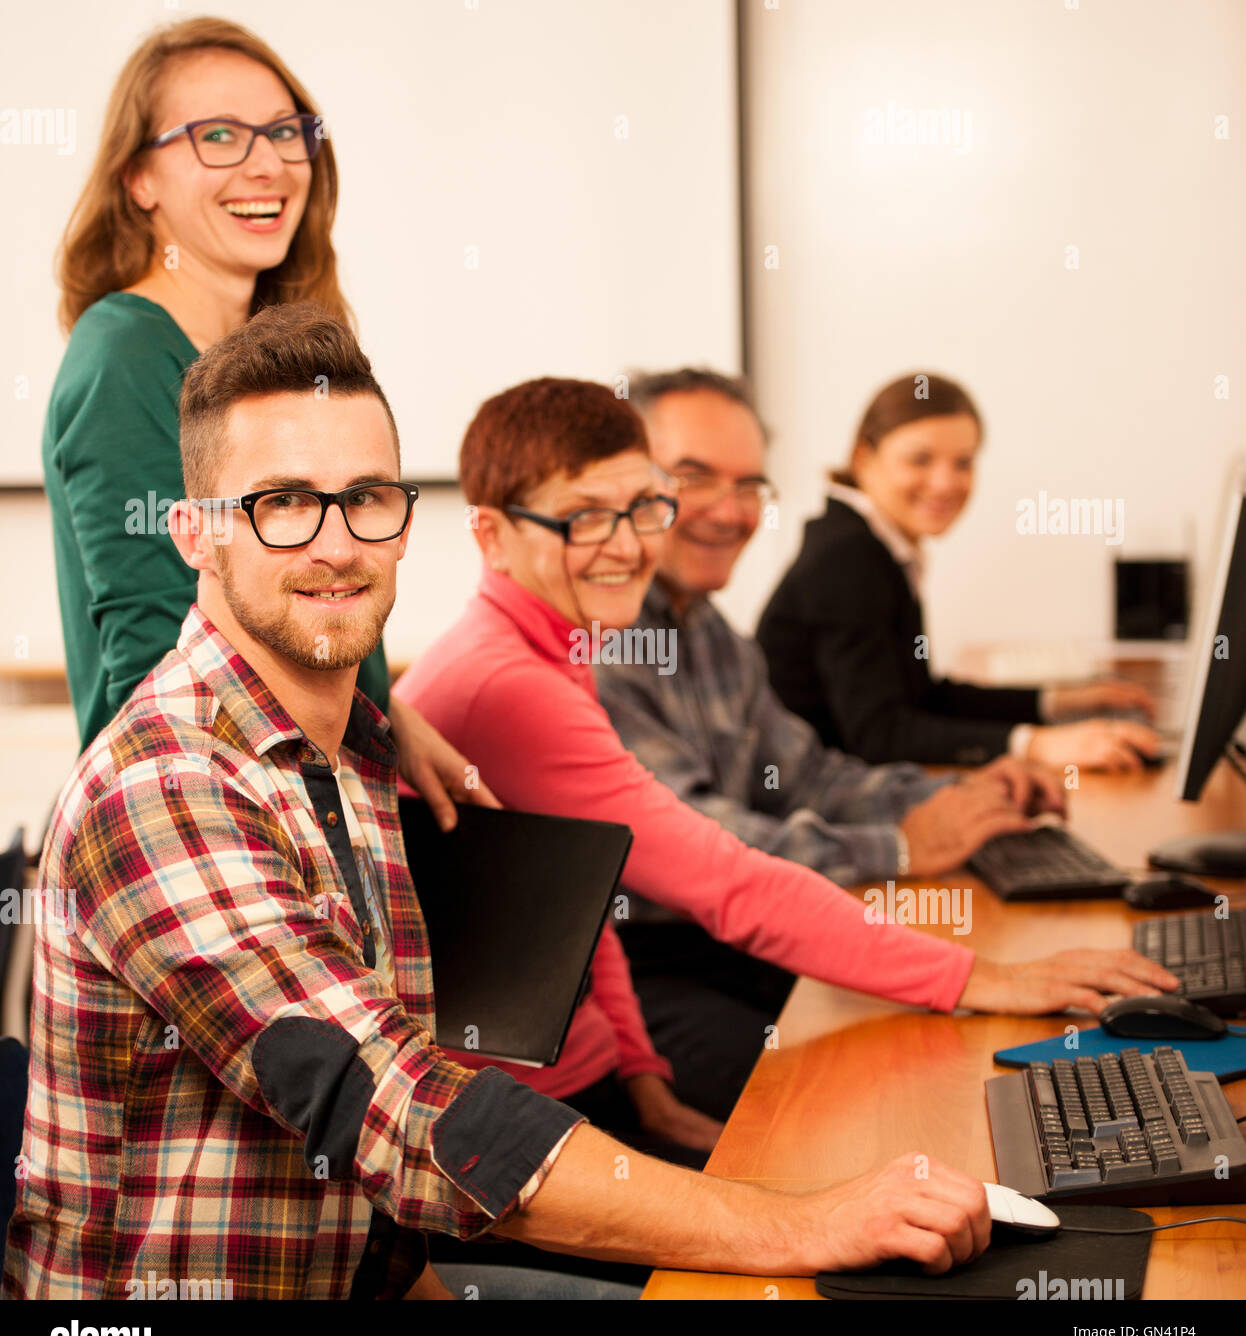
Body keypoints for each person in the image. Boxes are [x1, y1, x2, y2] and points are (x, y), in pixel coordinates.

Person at [5, 305, 1003, 1300]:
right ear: (194, 535)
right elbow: (399, 1110)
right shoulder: (168, 782)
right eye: (281, 504)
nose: (334, 542)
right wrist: (806, 1221)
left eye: (366, 499)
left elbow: (374, 1178)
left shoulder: (361, 748)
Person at [392, 375, 1176, 1133]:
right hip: (517, 1114)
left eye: (641, 509)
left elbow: (584, 893)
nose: (627, 546)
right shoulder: (511, 682)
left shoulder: (554, 646)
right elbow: (727, 882)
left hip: (572, 1072)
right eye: (585, 518)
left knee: (904, 1071)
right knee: (881, 1103)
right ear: (491, 534)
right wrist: (988, 978)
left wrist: (642, 1077)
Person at [592, 368, 1077, 1114]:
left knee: (953, 1049)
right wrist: (901, 845)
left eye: (750, 484)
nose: (731, 510)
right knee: (857, 1098)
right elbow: (699, 849)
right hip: (640, 972)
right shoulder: (599, 642)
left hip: (731, 944)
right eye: (694, 478)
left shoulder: (714, 633)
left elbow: (808, 773)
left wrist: (951, 796)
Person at [42, 16, 481, 828]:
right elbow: (154, 653)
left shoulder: (268, 346)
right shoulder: (128, 353)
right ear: (139, 178)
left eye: (286, 132)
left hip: (322, 802)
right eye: (218, 135)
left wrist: (392, 724)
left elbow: (308, 603)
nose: (268, 162)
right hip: (212, 819)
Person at [756, 372, 1160, 771]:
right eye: (920, 459)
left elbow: (920, 696)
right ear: (864, 457)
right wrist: (1035, 745)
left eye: (963, 463)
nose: (946, 483)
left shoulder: (873, 544)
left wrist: (1054, 702)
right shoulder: (847, 556)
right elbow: (880, 734)